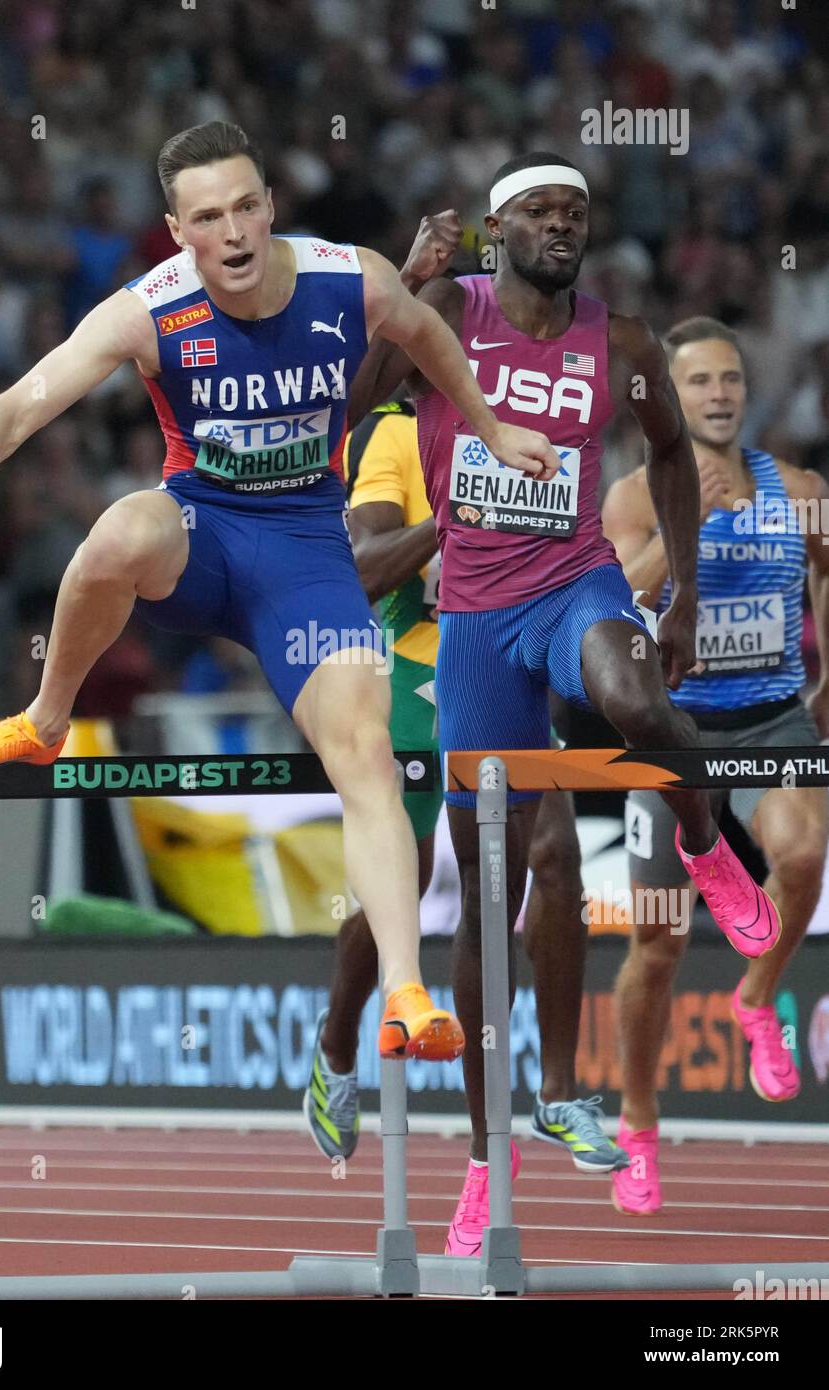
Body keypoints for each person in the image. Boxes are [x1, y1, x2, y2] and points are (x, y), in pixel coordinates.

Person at [0, 122, 560, 1065]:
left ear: (269, 205)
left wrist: (487, 427)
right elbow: (24, 406)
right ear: (176, 230)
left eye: (245, 206)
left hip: (306, 556)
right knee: (120, 527)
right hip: (198, 535)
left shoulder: (347, 276)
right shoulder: (150, 311)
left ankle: (405, 992)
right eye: (207, 217)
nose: (232, 232)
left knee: (363, 751)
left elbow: (426, 329)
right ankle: (42, 720)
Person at [345, 151, 781, 1255]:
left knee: (638, 698)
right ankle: (490, 1160)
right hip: (475, 623)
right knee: (493, 884)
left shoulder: (623, 343)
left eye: (575, 212)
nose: (561, 224)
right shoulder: (447, 307)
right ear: (496, 227)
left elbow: (672, 456)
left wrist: (677, 595)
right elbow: (347, 411)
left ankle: (705, 847)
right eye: (539, 209)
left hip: (575, 581)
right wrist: (401, 282)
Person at [304, 225, 628, 1210]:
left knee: (556, 860)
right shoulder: (396, 438)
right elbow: (357, 570)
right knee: (394, 889)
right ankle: (333, 1042)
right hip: (407, 676)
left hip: (504, 661)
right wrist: (445, 531)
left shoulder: (531, 412)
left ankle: (558, 1091)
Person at [603, 316, 829, 1216]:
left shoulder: (802, 487)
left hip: (774, 719)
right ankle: (639, 1122)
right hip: (670, 737)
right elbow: (619, 598)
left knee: (805, 852)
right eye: (700, 382)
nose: (721, 395)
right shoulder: (631, 493)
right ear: (669, 393)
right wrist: (678, 520)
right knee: (655, 944)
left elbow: (827, 566)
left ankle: (756, 997)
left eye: (731, 380)